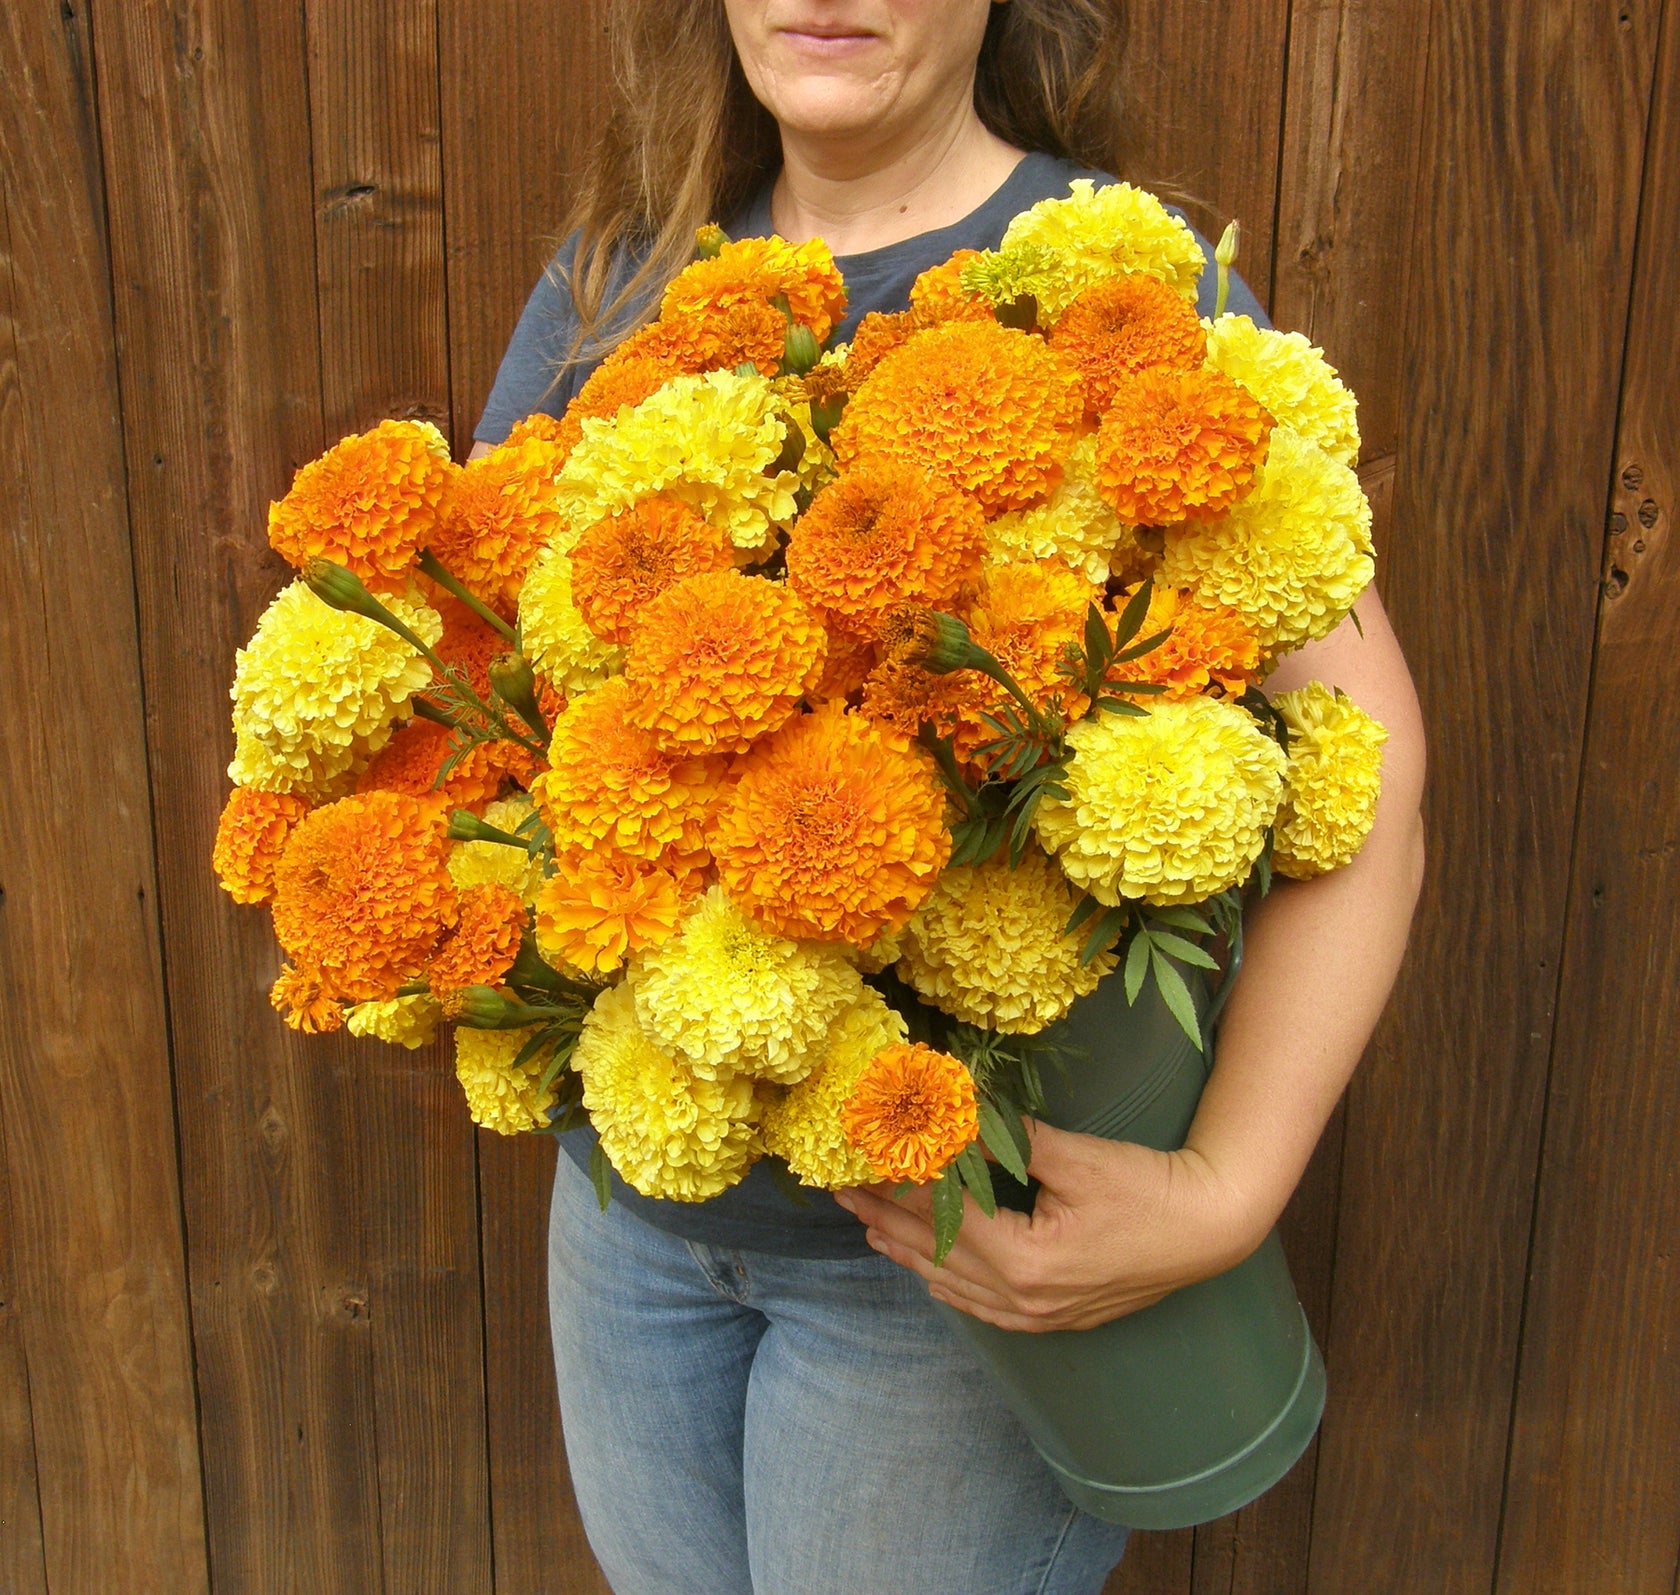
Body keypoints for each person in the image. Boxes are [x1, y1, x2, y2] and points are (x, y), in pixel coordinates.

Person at [469, 3, 1428, 1591]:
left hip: (958, 1261)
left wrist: (1221, 1197)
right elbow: (498, 711)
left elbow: (1371, 779)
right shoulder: (624, 284)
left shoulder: (1123, 293)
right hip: (642, 1228)